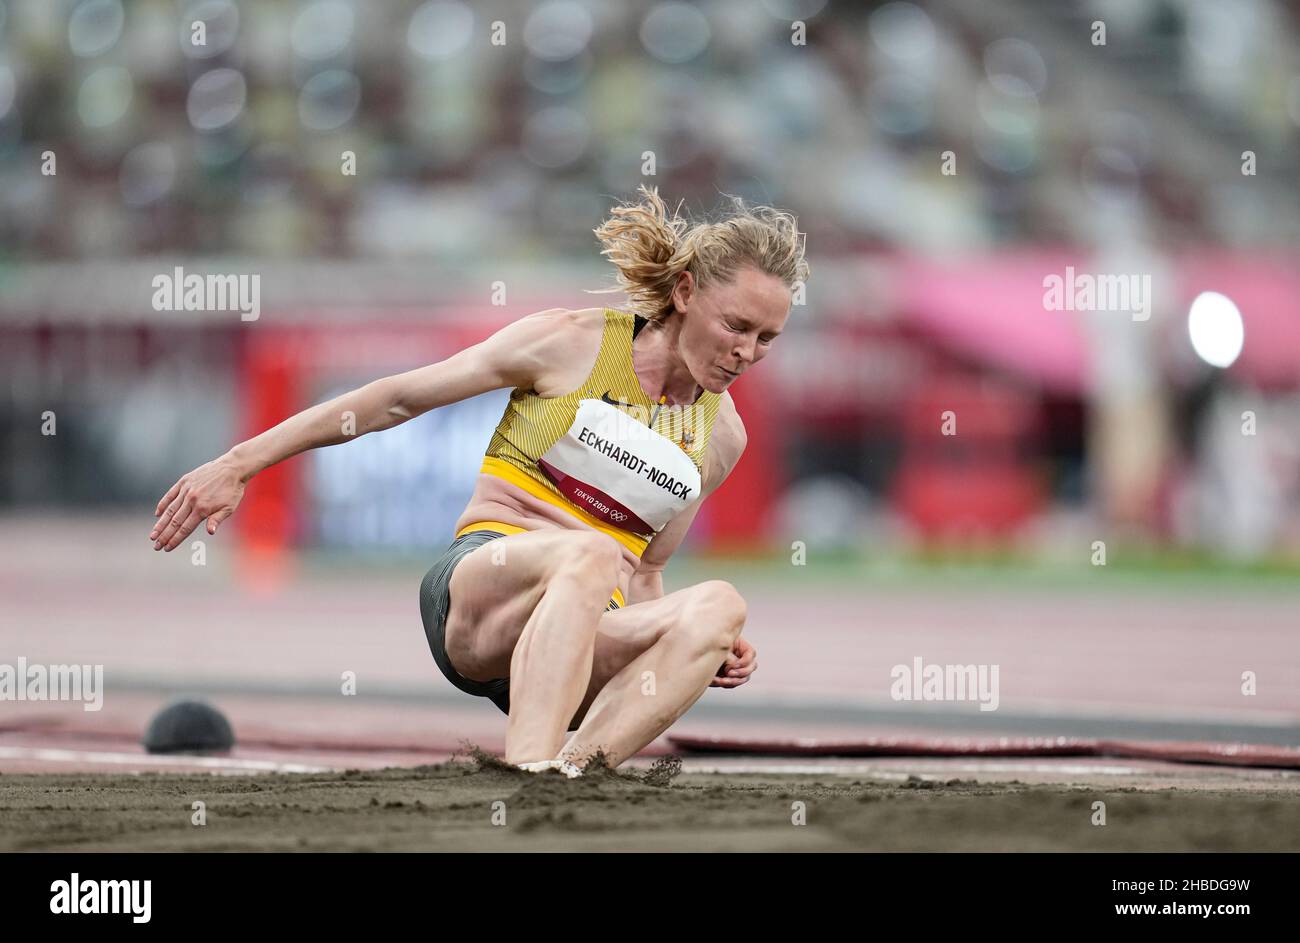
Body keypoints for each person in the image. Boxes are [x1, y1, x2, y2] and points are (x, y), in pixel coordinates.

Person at [149, 184, 809, 775]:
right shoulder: (570, 344)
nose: (747, 352)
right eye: (736, 326)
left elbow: (644, 574)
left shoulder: (721, 437)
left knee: (719, 604)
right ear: (687, 292)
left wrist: (694, 641)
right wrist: (239, 462)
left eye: (768, 338)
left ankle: (572, 776)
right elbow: (395, 399)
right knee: (589, 552)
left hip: (578, 642)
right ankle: (532, 775)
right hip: (479, 602)